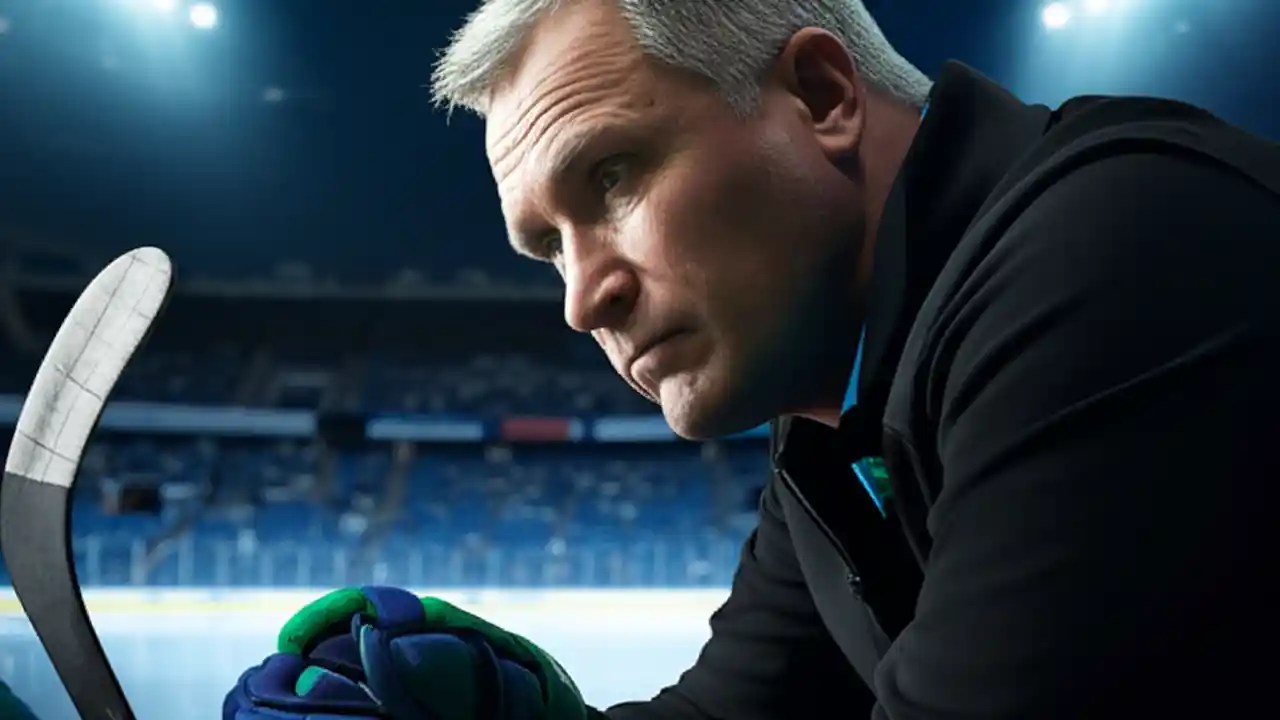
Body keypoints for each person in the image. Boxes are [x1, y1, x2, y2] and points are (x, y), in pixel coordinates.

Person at [225, 0, 1280, 718]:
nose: (581, 297)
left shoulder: (1116, 248)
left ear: (822, 95)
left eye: (612, 179)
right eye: (546, 246)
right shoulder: (831, 402)